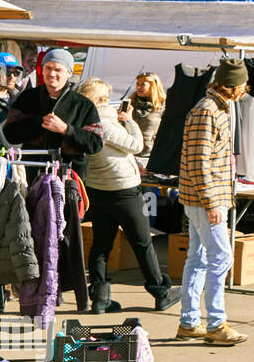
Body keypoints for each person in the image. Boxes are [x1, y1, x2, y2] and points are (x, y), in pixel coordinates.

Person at [74, 78, 181, 314]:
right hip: (124, 190)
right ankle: (160, 292)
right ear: (101, 100)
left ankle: (100, 297)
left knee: (101, 244)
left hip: (97, 189)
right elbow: (136, 145)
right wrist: (130, 121)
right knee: (142, 242)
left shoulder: (82, 123)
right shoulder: (104, 124)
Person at [175, 58, 250, 347]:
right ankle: (216, 323)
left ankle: (189, 322)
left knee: (199, 258)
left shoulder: (218, 107)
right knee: (221, 257)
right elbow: (198, 163)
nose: (245, 89)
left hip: (205, 198)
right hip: (206, 199)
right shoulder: (208, 111)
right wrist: (211, 203)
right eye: (243, 84)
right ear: (233, 85)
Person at [2, 48, 103, 181]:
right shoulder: (28, 98)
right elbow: (10, 134)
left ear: (69, 73)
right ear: (42, 70)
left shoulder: (83, 104)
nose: (52, 73)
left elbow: (95, 144)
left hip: (68, 177)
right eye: (48, 68)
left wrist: (66, 130)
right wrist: (38, 123)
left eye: (58, 69)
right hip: (32, 173)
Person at [131, 72, 166, 166]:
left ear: (153, 86)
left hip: (150, 154)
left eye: (143, 84)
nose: (138, 87)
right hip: (131, 151)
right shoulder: (131, 102)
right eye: (137, 84)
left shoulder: (162, 105)